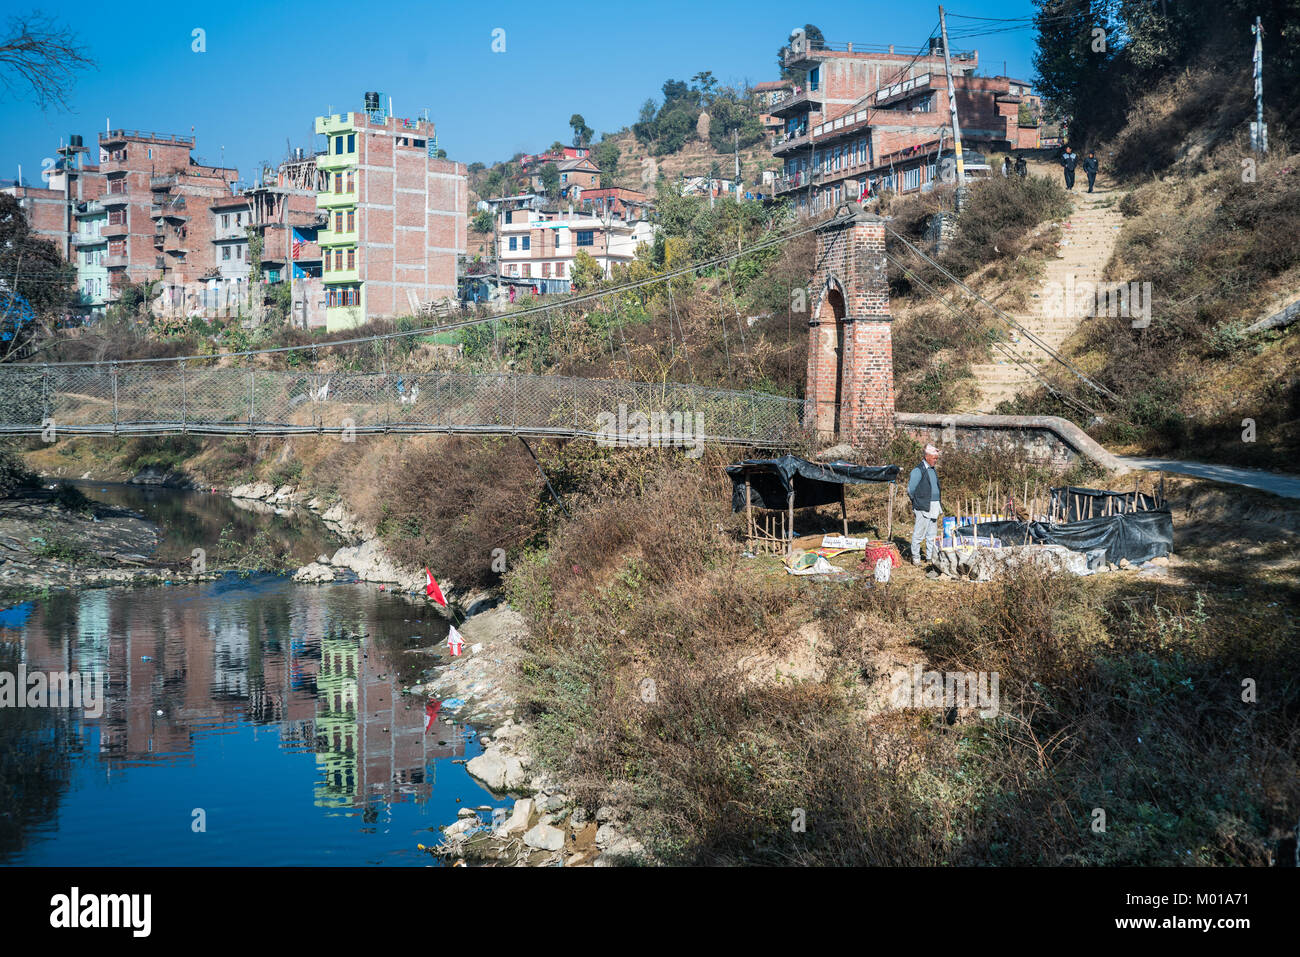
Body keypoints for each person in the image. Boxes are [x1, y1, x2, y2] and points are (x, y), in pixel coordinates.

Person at [907, 444, 943, 566]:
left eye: (936, 458)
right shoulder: (918, 470)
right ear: (927, 456)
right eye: (934, 458)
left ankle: (929, 557)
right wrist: (917, 502)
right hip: (923, 506)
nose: (935, 460)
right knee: (919, 533)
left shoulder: (932, 470)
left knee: (932, 534)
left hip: (934, 505)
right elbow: (911, 490)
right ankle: (916, 557)